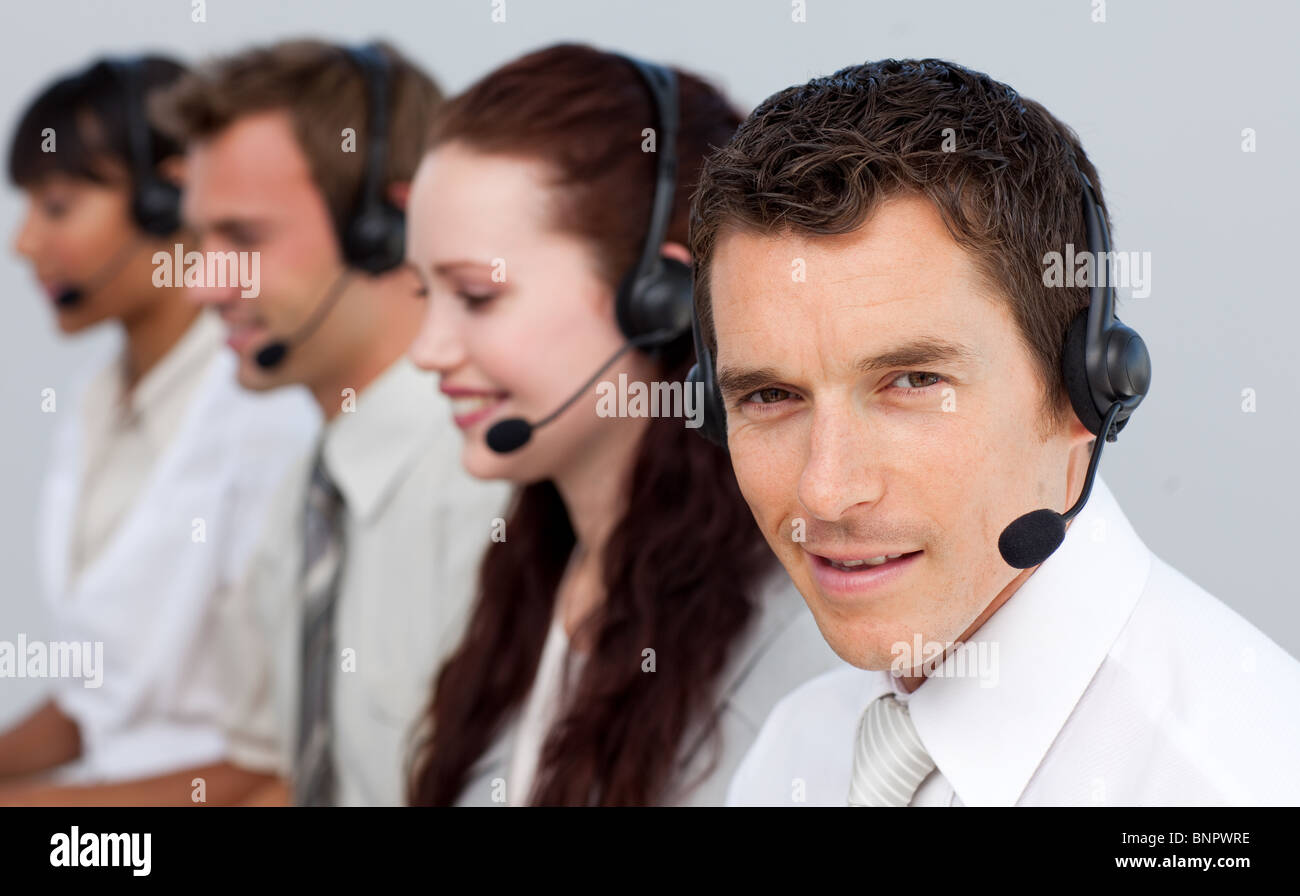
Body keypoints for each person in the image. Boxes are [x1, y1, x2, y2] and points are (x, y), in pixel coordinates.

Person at [686, 59, 1300, 807]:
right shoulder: (799, 749)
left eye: (913, 382)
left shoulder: (1234, 789)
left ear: (1088, 391)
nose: (827, 491)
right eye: (771, 395)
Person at [404, 44, 842, 807]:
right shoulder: (540, 567)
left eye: (475, 296)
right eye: (422, 293)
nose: (427, 350)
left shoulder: (804, 635)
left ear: (660, 299)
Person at [0, 56, 318, 804]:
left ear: (163, 200)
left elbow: (273, 762)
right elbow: (101, 700)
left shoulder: (265, 413)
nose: (23, 244)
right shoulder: (97, 401)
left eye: (56, 206)